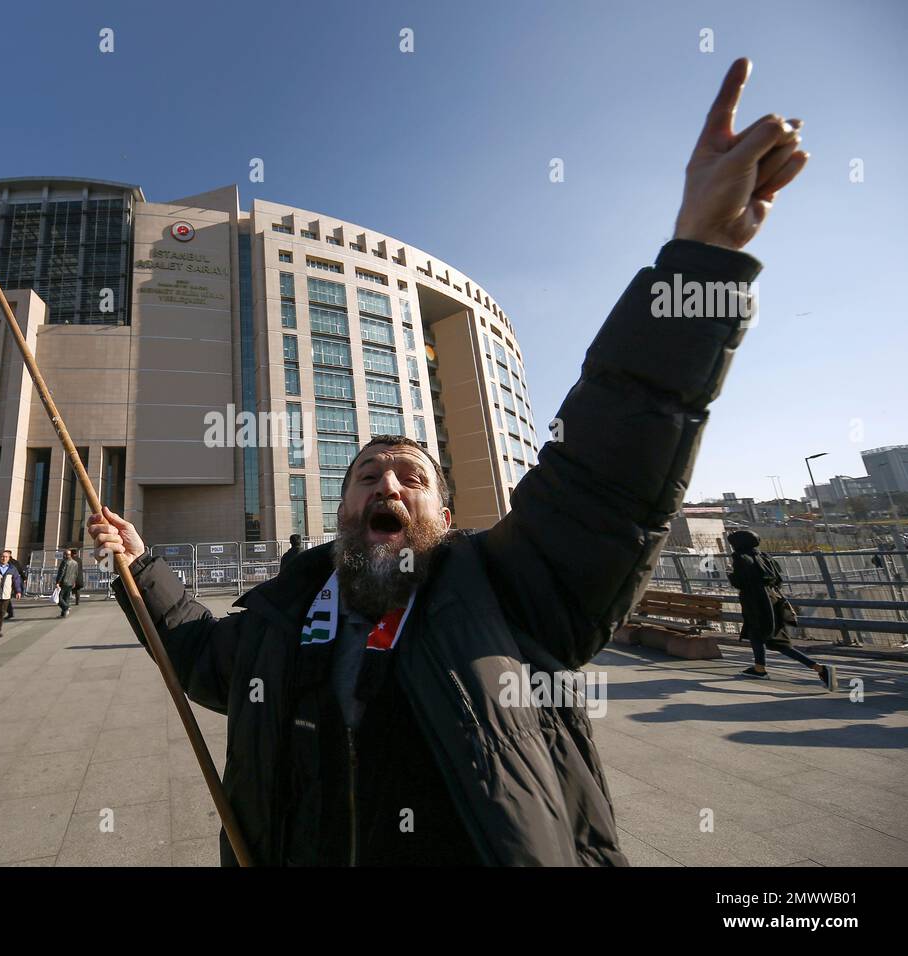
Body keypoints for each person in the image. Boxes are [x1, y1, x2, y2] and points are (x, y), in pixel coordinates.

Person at [88, 57, 809, 866]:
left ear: (446, 516)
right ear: (341, 508)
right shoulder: (280, 621)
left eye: (411, 478)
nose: (387, 485)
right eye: (367, 475)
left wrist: (700, 258)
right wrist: (140, 564)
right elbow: (196, 655)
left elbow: (609, 473)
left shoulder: (508, 595)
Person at [728, 530, 837, 690]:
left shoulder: (740, 558)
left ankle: (820, 669)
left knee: (776, 642)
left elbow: (740, 582)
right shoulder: (764, 556)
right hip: (772, 600)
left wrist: (730, 574)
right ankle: (759, 668)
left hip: (757, 603)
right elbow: (778, 579)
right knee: (756, 634)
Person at [56, 549, 80, 619]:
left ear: (66, 555)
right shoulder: (75, 563)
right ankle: (63, 614)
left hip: (64, 582)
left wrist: (57, 582)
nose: (64, 556)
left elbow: (61, 573)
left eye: (64, 554)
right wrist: (74, 582)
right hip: (70, 583)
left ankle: (66, 608)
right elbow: (76, 574)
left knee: (58, 598)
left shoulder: (64, 562)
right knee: (66, 598)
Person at [6, 554, 23, 620]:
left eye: (6, 557)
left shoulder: (12, 567)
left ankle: (9, 612)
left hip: (8, 586)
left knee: (6, 599)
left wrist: (18, 591)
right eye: (2, 557)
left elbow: (16, 579)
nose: (4, 558)